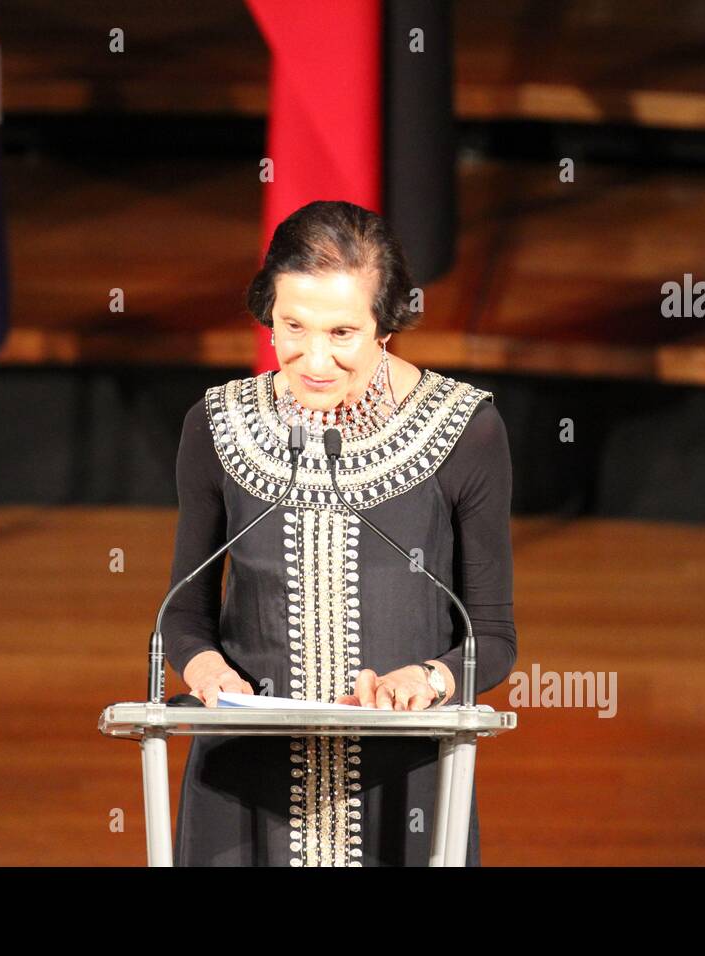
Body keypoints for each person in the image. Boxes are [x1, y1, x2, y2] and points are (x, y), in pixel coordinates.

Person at [163, 200, 517, 866]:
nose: (314, 359)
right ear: (267, 309)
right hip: (244, 789)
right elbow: (184, 616)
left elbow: (493, 641)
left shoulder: (468, 433)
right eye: (292, 326)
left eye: (342, 332)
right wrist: (204, 668)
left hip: (404, 788)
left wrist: (430, 678)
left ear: (387, 325)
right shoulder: (214, 428)